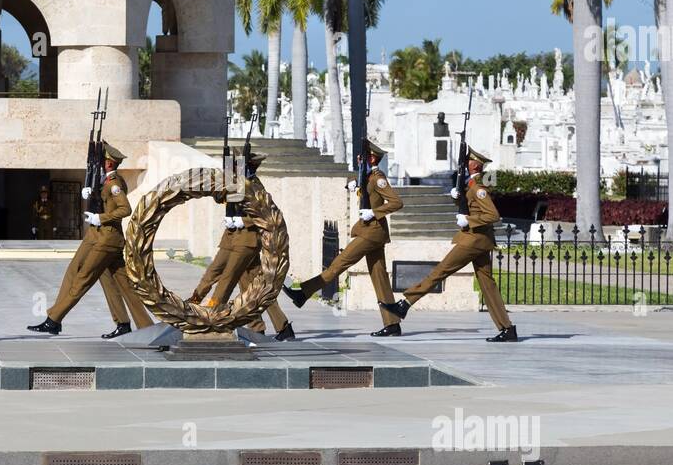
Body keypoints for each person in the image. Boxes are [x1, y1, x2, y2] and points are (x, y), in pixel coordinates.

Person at [380, 148, 517, 342]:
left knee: (440, 271)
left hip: (473, 240)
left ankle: (405, 303)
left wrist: (468, 220)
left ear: (476, 165)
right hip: (477, 240)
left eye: (468, 161)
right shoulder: (471, 184)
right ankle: (507, 328)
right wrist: (457, 198)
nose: (465, 163)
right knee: (488, 285)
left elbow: (492, 215)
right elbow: (470, 207)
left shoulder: (478, 188)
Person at [280, 139, 403, 336]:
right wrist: (354, 185)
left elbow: (397, 202)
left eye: (362, 154)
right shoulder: (367, 176)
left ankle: (303, 293)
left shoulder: (378, 178)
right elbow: (365, 190)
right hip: (371, 233)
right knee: (380, 277)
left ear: (371, 157)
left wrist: (375, 212)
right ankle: (392, 323)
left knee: (339, 264)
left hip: (372, 232)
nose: (358, 157)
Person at [28, 142, 147, 337]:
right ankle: (125, 324)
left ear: (108, 164)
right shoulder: (106, 180)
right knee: (87, 274)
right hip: (95, 235)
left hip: (107, 239)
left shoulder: (115, 184)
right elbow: (103, 199)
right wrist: (91, 190)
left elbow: (125, 209)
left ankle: (54, 320)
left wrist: (101, 217)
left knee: (83, 278)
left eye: (101, 161)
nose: (98, 164)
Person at [190, 150, 294, 341]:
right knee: (241, 283)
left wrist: (244, 221)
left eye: (239, 164)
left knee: (227, 280)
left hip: (247, 240)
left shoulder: (255, 186)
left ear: (249, 166)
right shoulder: (233, 181)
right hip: (230, 238)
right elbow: (219, 197)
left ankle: (209, 316)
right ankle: (193, 304)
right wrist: (223, 180)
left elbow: (265, 215)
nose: (236, 167)